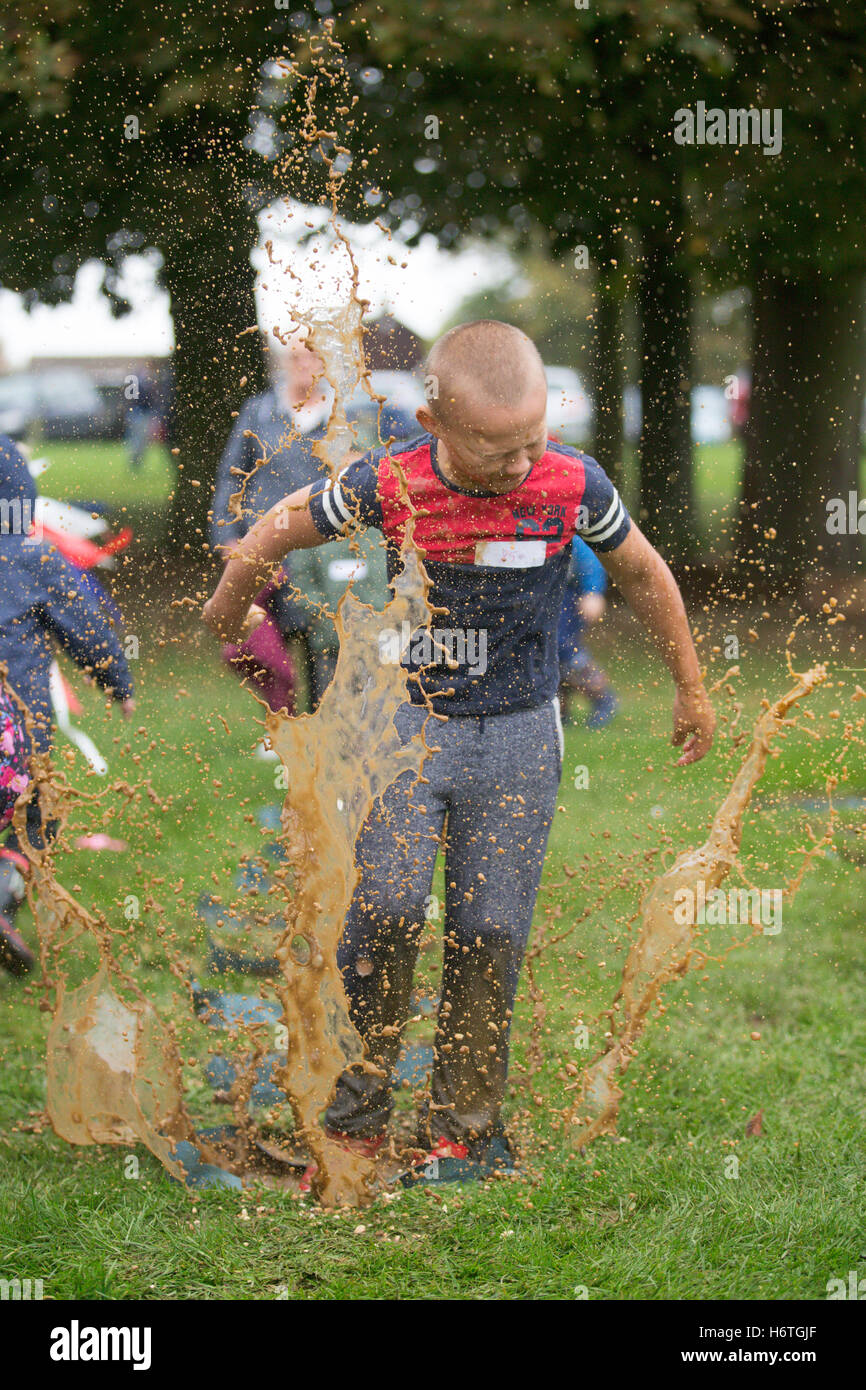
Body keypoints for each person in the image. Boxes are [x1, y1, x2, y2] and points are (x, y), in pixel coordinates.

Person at [203, 319, 715, 1178]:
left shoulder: (571, 483)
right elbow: (277, 530)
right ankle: (356, 1116)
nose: (518, 466)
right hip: (405, 724)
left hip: (518, 731)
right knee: (389, 912)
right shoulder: (390, 480)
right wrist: (227, 610)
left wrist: (691, 685)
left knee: (488, 929)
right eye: (493, 448)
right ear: (434, 421)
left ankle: (464, 1129)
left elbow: (643, 572)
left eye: (530, 442)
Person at [0, 435, 135, 976]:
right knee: (38, 812)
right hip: (18, 743)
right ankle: (6, 893)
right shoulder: (35, 558)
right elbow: (90, 632)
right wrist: (116, 683)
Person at [211, 329, 390, 709]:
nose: (305, 366)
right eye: (296, 358)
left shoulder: (345, 417)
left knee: (317, 633)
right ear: (284, 363)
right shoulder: (259, 412)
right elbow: (231, 475)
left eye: (314, 358)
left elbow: (363, 478)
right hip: (264, 547)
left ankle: (323, 716)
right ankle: (280, 717)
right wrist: (228, 535)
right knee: (263, 640)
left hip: (321, 547)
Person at [558, 535, 618, 728]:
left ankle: (602, 696)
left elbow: (586, 557)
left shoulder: (559, 522)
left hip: (568, 597)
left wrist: (592, 591)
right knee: (544, 652)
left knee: (564, 648)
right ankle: (559, 709)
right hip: (541, 598)